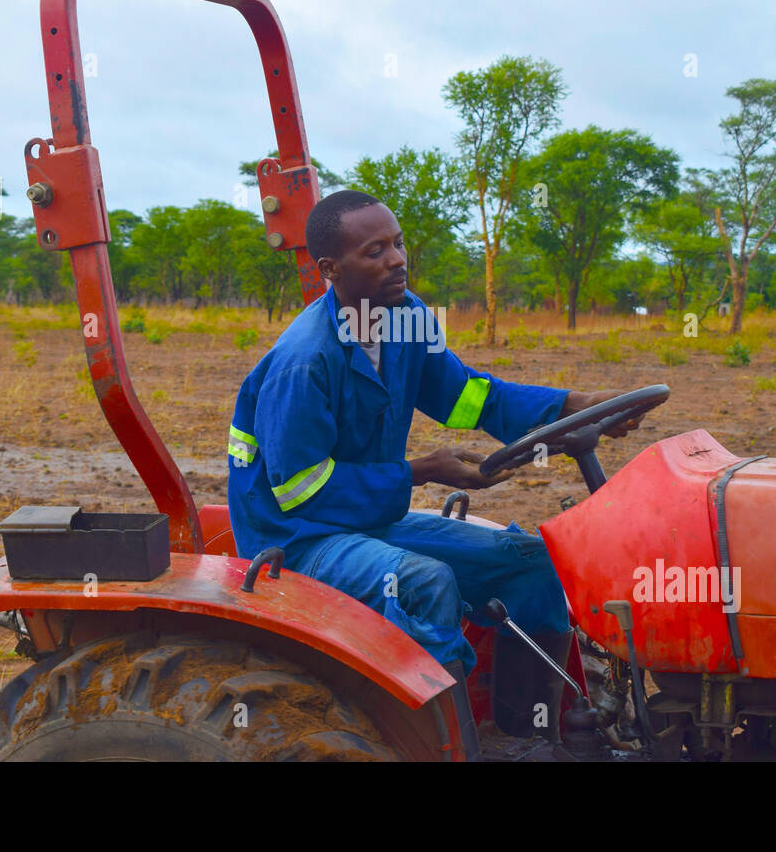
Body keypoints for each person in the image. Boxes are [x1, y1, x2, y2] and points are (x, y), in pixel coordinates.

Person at [226, 189, 636, 755]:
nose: (396, 259)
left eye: (397, 243)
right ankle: (447, 748)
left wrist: (570, 405)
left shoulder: (405, 317)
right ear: (331, 268)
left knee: (534, 564)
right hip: (298, 537)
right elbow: (302, 491)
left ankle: (535, 735)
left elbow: (463, 396)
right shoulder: (306, 359)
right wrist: (419, 472)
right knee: (423, 583)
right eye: (375, 251)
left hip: (370, 516)